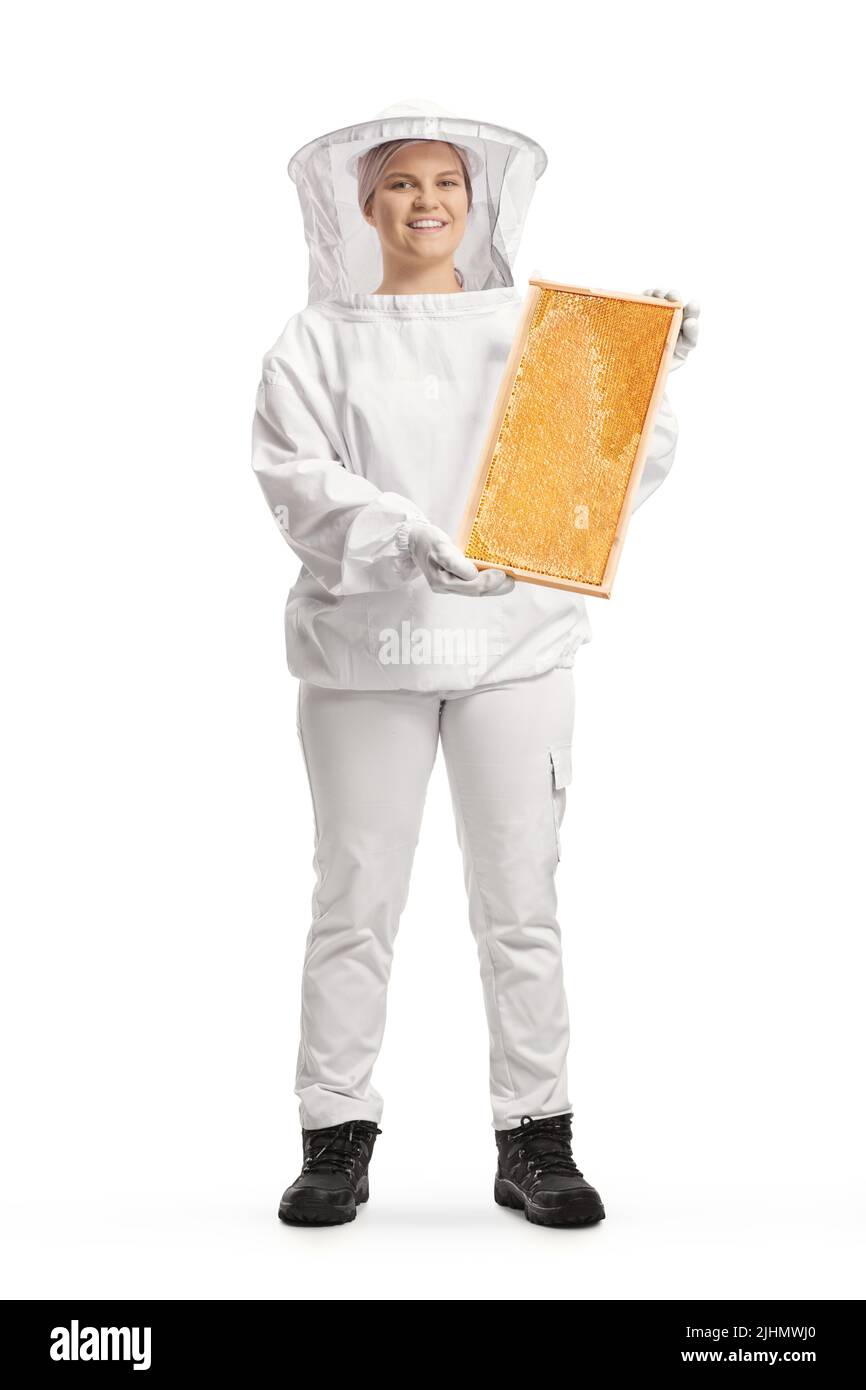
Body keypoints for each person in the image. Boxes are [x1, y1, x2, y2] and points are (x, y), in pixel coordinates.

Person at [250, 99, 700, 1228]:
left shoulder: (526, 332)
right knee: (354, 897)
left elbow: (593, 480)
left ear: (477, 201)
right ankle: (332, 1133)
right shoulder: (315, 340)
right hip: (365, 652)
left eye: (445, 183)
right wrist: (401, 531)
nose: (425, 202)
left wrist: (638, 372)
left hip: (514, 648)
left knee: (519, 899)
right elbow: (295, 478)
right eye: (401, 183)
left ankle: (534, 1138)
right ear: (364, 205)